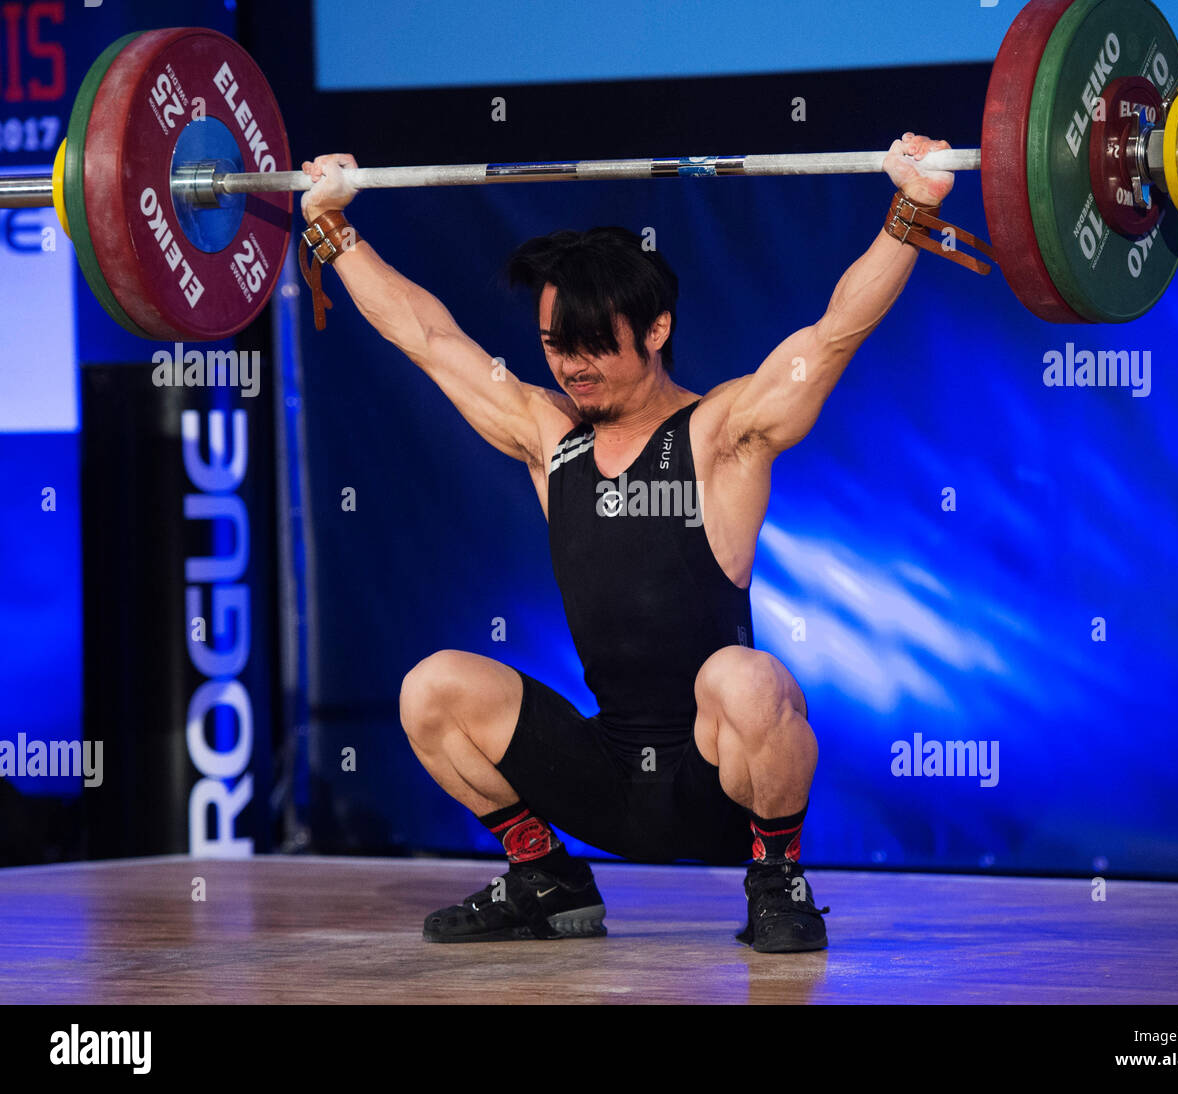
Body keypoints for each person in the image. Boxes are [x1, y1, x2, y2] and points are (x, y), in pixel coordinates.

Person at [298, 134, 955, 953]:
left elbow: (831, 336)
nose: (571, 366)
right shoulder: (549, 439)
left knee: (746, 679)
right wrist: (332, 230)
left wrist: (911, 210)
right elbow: (430, 341)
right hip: (605, 773)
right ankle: (547, 879)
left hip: (717, 780)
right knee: (432, 690)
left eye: (591, 344)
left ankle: (776, 878)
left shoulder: (722, 436)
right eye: (553, 345)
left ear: (656, 328)